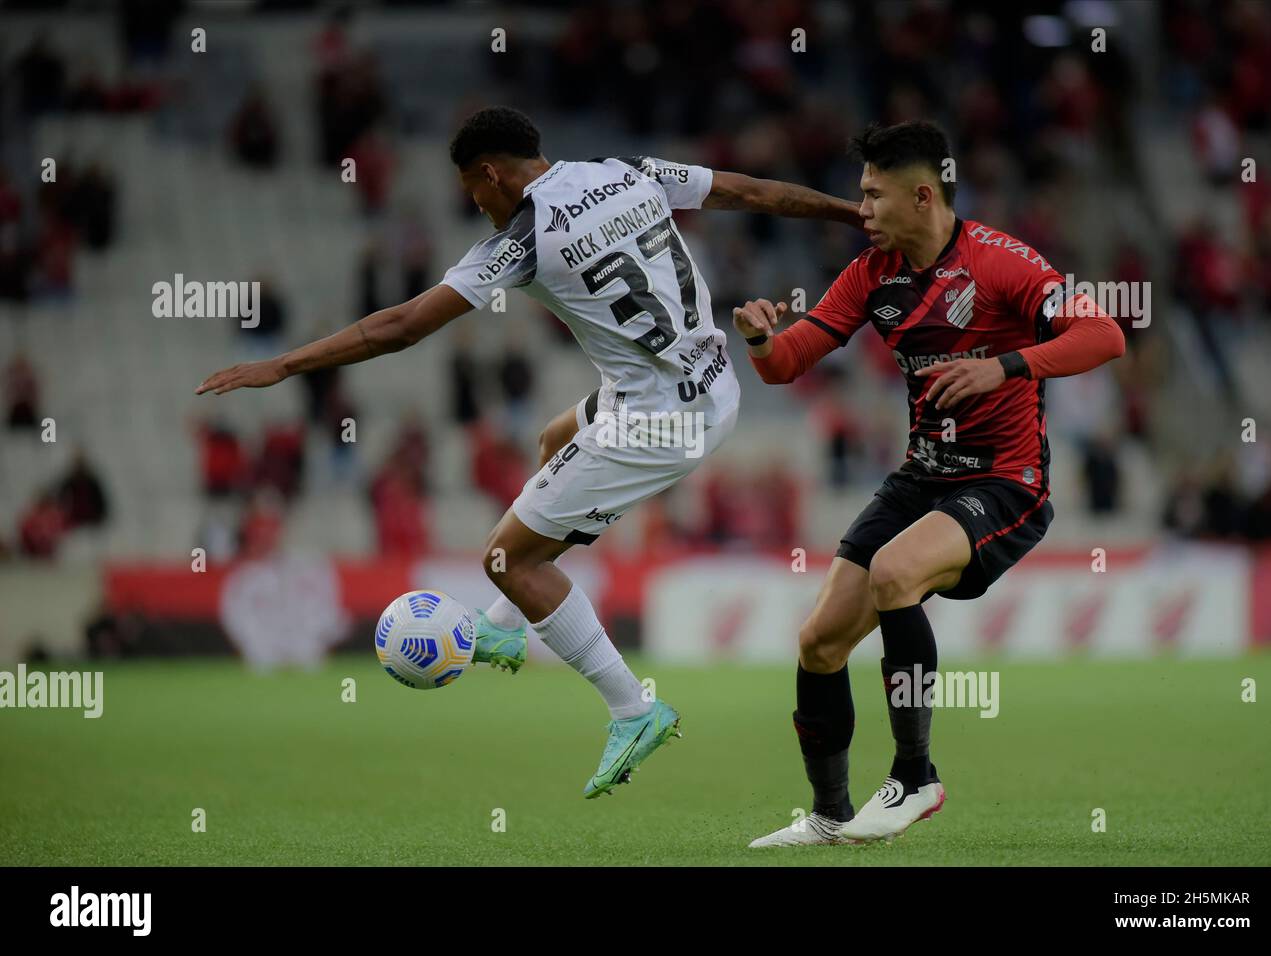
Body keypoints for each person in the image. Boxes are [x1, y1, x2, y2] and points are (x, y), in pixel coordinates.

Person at [196, 106, 862, 798]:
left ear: (489, 173)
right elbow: (752, 191)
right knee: (553, 439)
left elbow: (399, 326)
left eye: (471, 191)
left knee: (505, 556)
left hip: (662, 418)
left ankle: (633, 708)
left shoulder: (523, 238)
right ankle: (504, 629)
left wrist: (282, 366)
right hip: (711, 383)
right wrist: (850, 215)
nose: (475, 205)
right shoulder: (626, 172)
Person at [735, 121, 1125, 847]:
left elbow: (1105, 335)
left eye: (874, 195)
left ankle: (915, 778)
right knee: (819, 642)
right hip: (921, 480)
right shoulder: (869, 274)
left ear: (922, 196)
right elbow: (786, 365)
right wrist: (760, 336)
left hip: (1005, 484)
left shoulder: (1002, 262)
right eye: (860, 194)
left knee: (894, 573)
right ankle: (828, 815)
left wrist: (1008, 365)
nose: (862, 210)